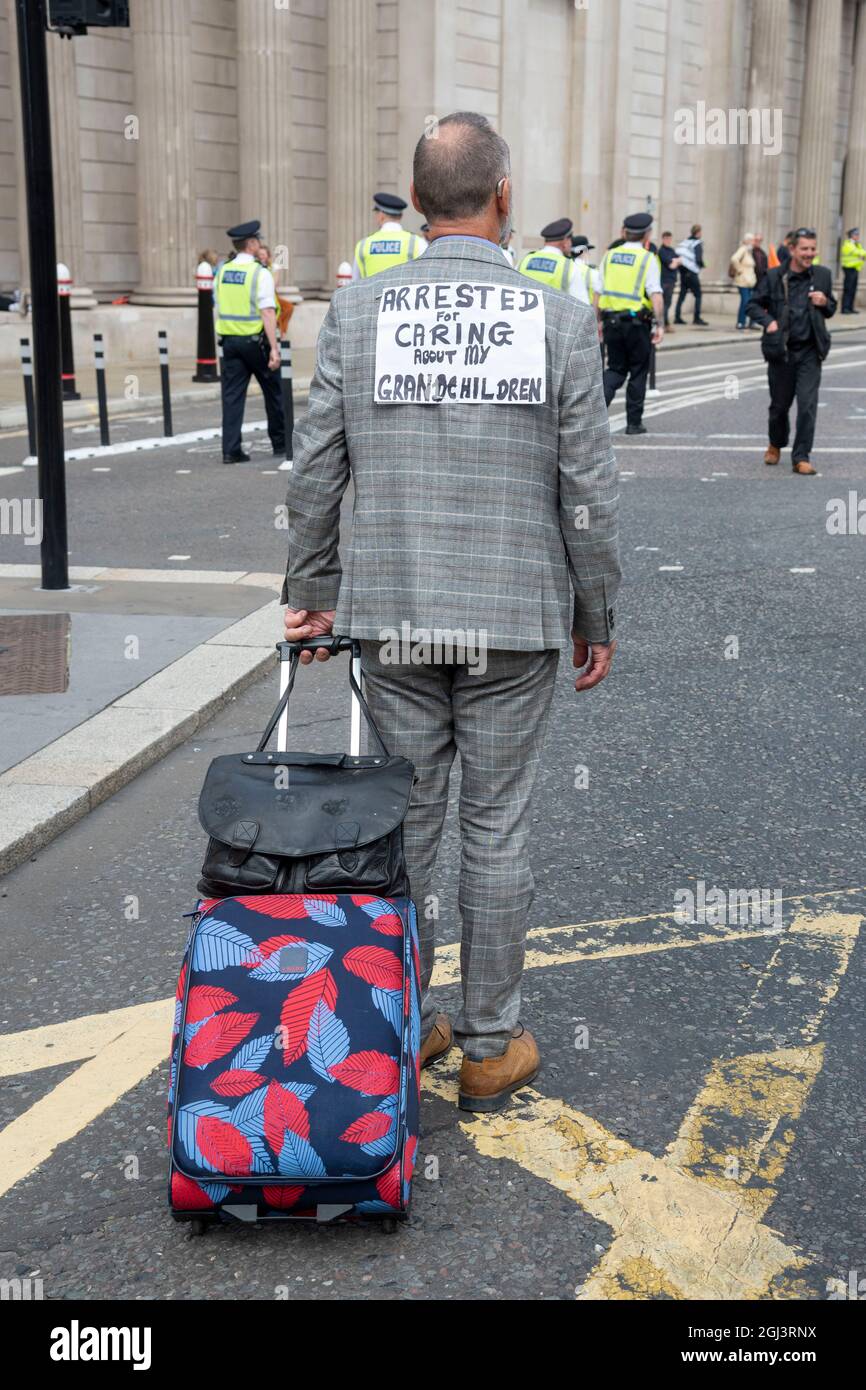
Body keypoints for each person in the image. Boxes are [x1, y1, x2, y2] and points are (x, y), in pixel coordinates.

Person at [280, 111, 620, 1113]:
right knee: (496, 822)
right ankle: (486, 1042)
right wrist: (594, 609)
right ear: (502, 198)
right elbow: (587, 490)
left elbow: (314, 473)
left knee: (407, 818)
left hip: (396, 615)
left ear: (419, 203)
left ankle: (396, 1016)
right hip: (512, 616)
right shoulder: (556, 317)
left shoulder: (357, 312)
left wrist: (309, 593)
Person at [746, 226, 837, 475]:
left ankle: (801, 457)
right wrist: (769, 322)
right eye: (805, 249)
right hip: (782, 352)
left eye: (813, 249)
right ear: (792, 249)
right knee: (779, 407)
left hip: (810, 351)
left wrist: (824, 302)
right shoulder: (774, 276)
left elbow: (831, 308)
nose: (809, 254)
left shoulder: (823, 276)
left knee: (807, 405)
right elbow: (752, 305)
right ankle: (776, 443)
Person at [214, 219, 285, 465]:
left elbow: (218, 303)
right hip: (256, 342)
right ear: (251, 243)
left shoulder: (222, 271)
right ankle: (280, 443)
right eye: (258, 241)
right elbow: (267, 311)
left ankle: (230, 450)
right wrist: (274, 349)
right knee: (274, 392)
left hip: (229, 342)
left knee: (232, 396)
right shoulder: (259, 273)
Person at [597, 210, 664, 434]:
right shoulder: (648, 258)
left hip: (610, 322)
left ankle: (595, 416)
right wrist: (661, 325)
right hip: (636, 324)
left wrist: (597, 322)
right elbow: (655, 294)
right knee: (638, 371)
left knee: (615, 369)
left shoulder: (609, 255)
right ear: (648, 235)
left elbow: (598, 292)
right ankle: (633, 424)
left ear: (624, 232)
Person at [352, 192, 427, 279]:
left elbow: (354, 282)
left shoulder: (363, 245)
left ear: (381, 216)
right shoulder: (417, 243)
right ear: (401, 216)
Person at [517, 217, 579, 292]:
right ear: (565, 241)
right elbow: (582, 302)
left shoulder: (524, 260)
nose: (571, 244)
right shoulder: (570, 267)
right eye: (570, 240)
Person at [674, 223, 708, 325]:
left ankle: (677, 317)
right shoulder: (697, 243)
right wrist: (702, 264)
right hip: (692, 273)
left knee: (682, 295)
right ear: (698, 233)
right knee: (698, 295)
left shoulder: (685, 242)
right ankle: (696, 318)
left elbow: (678, 254)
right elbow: (698, 259)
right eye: (700, 231)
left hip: (683, 273)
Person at [729, 233, 757, 329]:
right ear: (748, 241)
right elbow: (734, 259)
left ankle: (751, 322)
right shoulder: (743, 249)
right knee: (745, 302)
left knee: (751, 302)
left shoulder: (749, 251)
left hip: (750, 282)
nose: (754, 243)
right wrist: (739, 270)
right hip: (743, 281)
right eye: (753, 240)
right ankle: (741, 322)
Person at [658, 231, 680, 330]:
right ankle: (664, 324)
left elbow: (679, 261)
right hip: (664, 280)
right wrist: (675, 261)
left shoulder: (671, 250)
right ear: (663, 239)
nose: (668, 241)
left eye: (669, 239)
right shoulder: (661, 251)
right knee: (664, 304)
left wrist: (675, 261)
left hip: (671, 280)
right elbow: (671, 265)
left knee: (668, 303)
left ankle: (665, 323)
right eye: (666, 239)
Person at [840, 226, 864, 314]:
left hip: (855, 268)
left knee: (853, 289)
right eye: (856, 234)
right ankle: (845, 308)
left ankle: (850, 307)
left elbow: (862, 252)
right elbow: (859, 252)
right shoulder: (848, 244)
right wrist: (862, 254)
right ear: (851, 235)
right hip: (849, 268)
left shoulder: (857, 244)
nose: (857, 236)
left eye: (858, 234)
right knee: (848, 289)